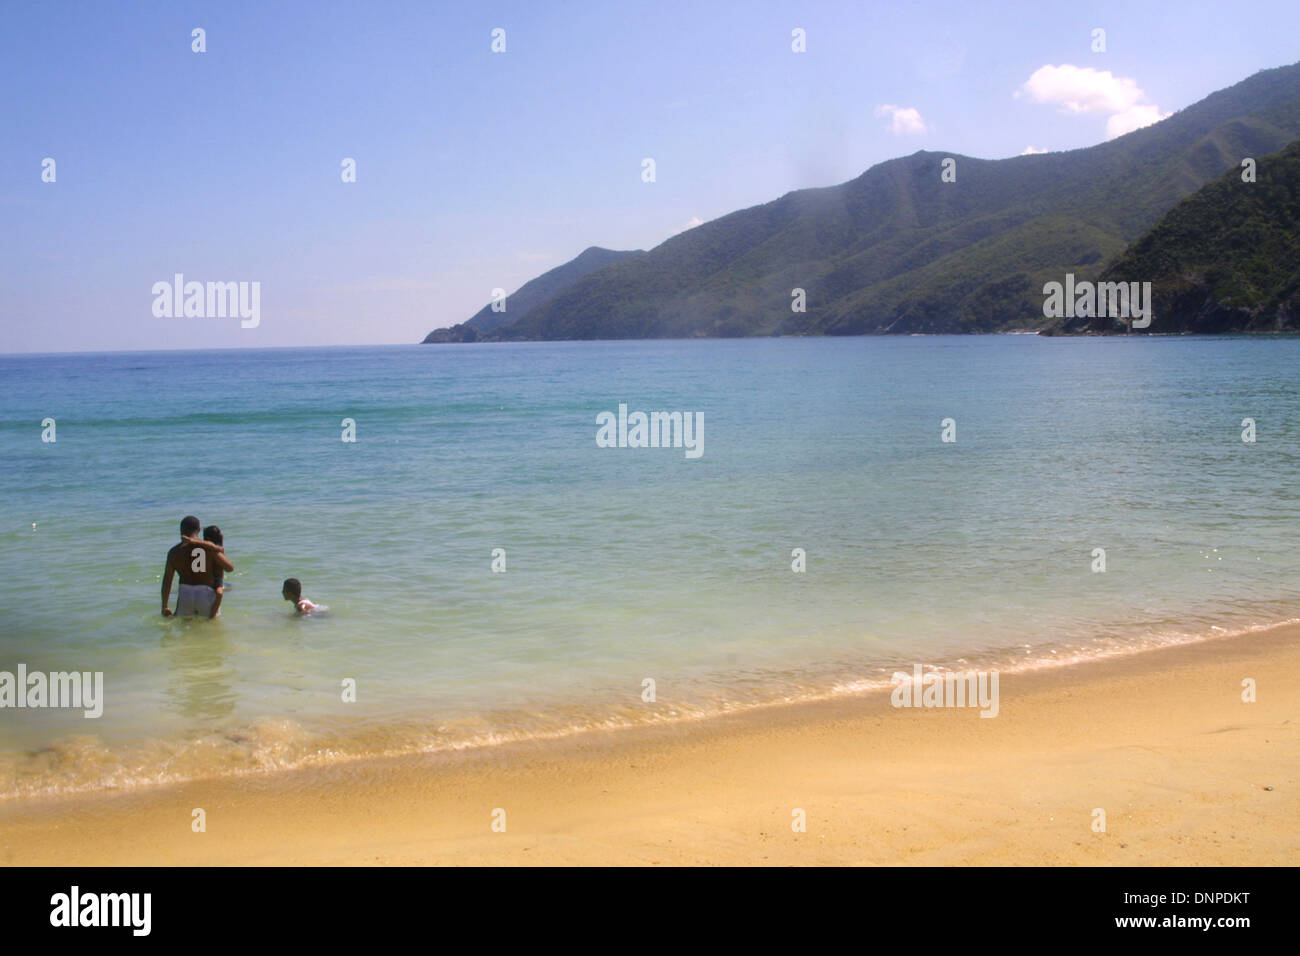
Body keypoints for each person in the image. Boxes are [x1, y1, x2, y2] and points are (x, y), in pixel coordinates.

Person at [162, 515, 233, 618]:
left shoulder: (173, 552)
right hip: (206, 593)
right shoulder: (207, 547)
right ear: (199, 530)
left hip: (184, 594)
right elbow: (229, 568)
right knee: (210, 630)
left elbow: (167, 581)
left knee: (185, 631)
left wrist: (164, 606)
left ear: (181, 530)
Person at [201, 525, 228, 619]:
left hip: (199, 587)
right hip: (214, 587)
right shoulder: (217, 552)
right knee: (223, 589)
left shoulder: (200, 550)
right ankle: (211, 618)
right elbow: (219, 592)